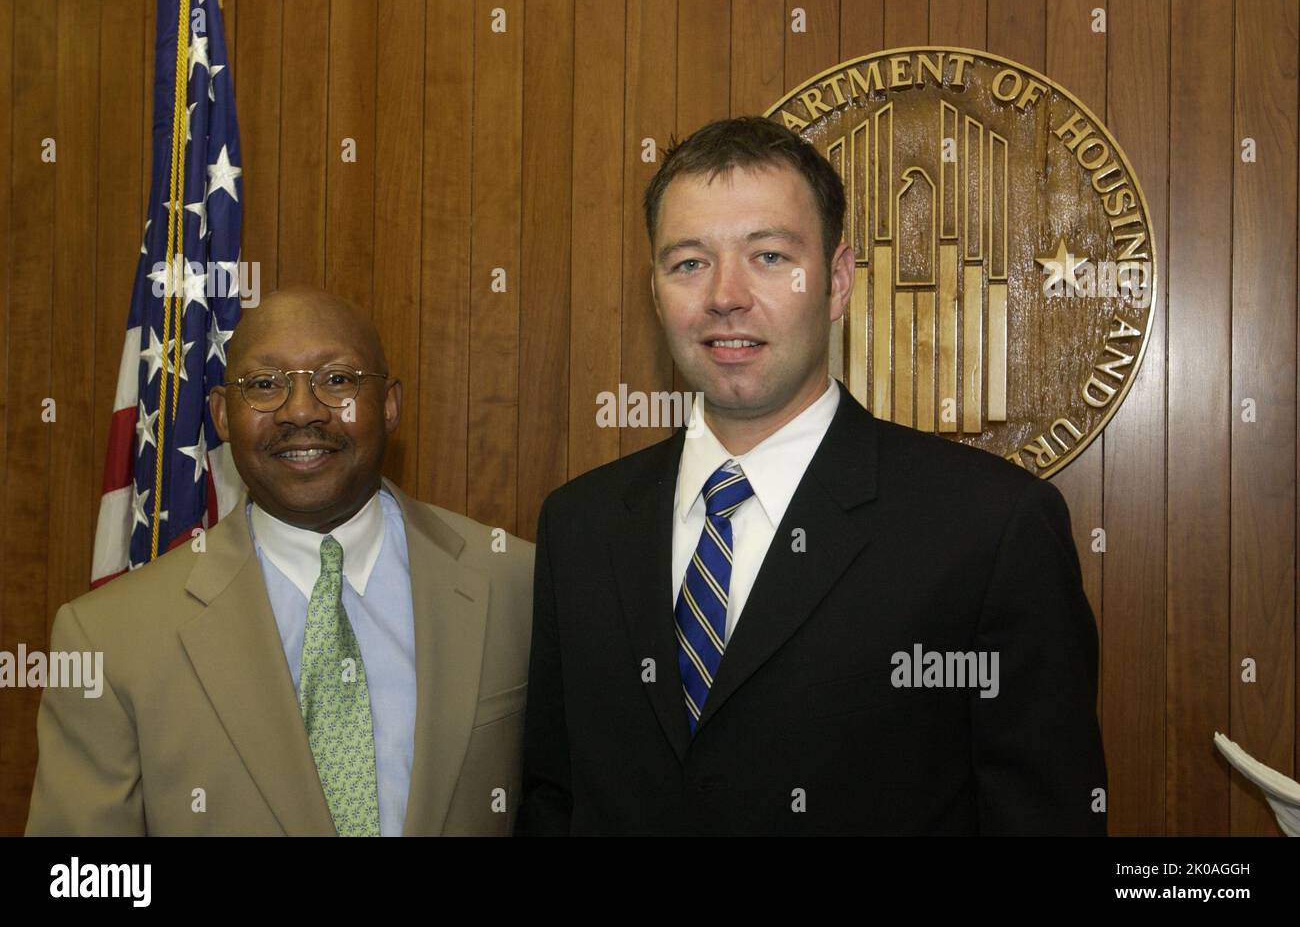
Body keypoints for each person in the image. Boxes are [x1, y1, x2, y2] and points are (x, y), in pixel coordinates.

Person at [517, 117, 1107, 835]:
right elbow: (552, 801)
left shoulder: (988, 529)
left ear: (835, 281)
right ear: (655, 290)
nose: (725, 295)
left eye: (768, 256)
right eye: (689, 263)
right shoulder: (579, 525)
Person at [27, 288, 532, 836]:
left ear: (390, 405)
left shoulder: (518, 583)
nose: (301, 411)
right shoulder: (107, 638)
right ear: (222, 414)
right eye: (264, 385)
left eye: (337, 379)